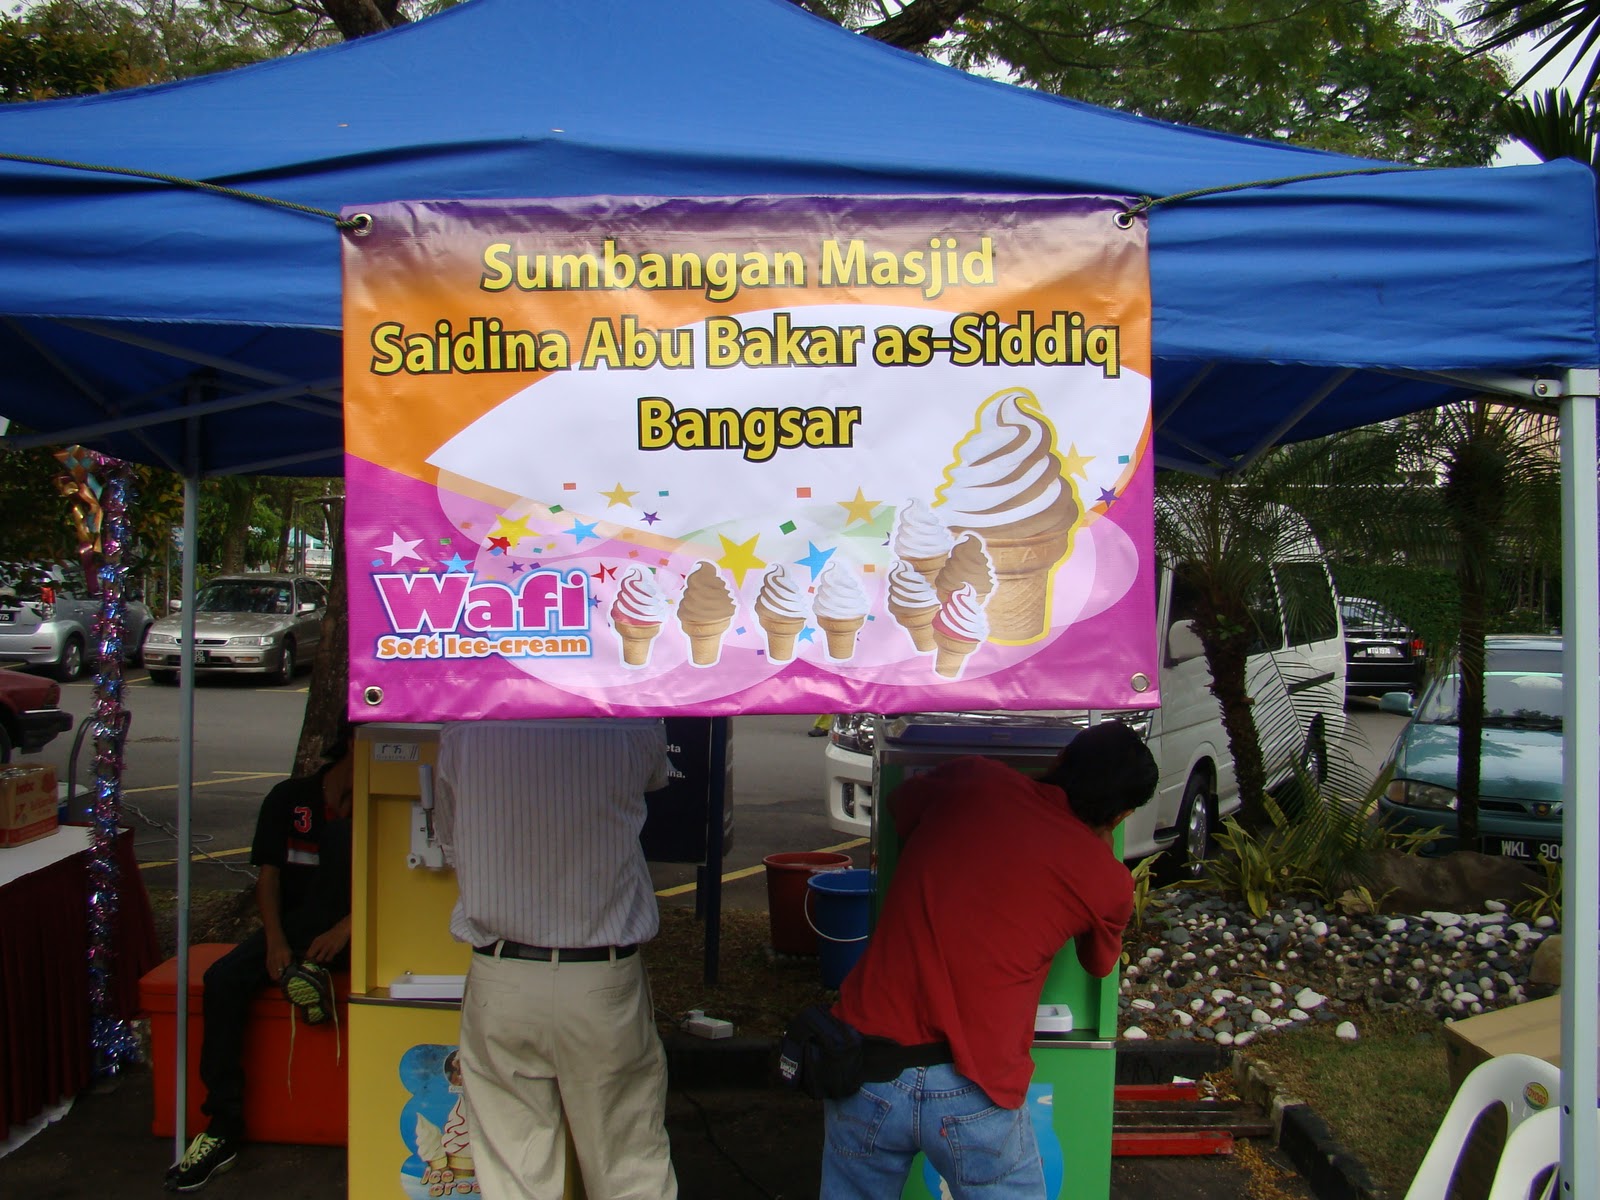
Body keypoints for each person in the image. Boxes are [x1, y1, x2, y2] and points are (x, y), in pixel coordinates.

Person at [821, 720, 1159, 1199]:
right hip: (976, 1082)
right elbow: (1099, 965)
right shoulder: (1107, 882)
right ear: (1122, 815)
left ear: (1061, 760)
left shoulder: (973, 779)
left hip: (864, 1062)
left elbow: (902, 811)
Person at [433, 719, 678, 1200]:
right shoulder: (629, 722)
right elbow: (656, 777)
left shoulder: (464, 729)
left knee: (514, 1173)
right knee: (628, 1165)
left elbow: (448, 839)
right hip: (601, 979)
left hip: (502, 975)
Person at [165, 733, 356, 1192]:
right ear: (352, 742)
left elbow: (399, 879)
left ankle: (310, 976)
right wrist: (274, 941)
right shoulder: (290, 798)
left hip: (358, 928)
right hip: (292, 928)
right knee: (223, 979)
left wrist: (348, 927)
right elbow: (268, 878)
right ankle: (222, 1127)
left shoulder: (387, 798)